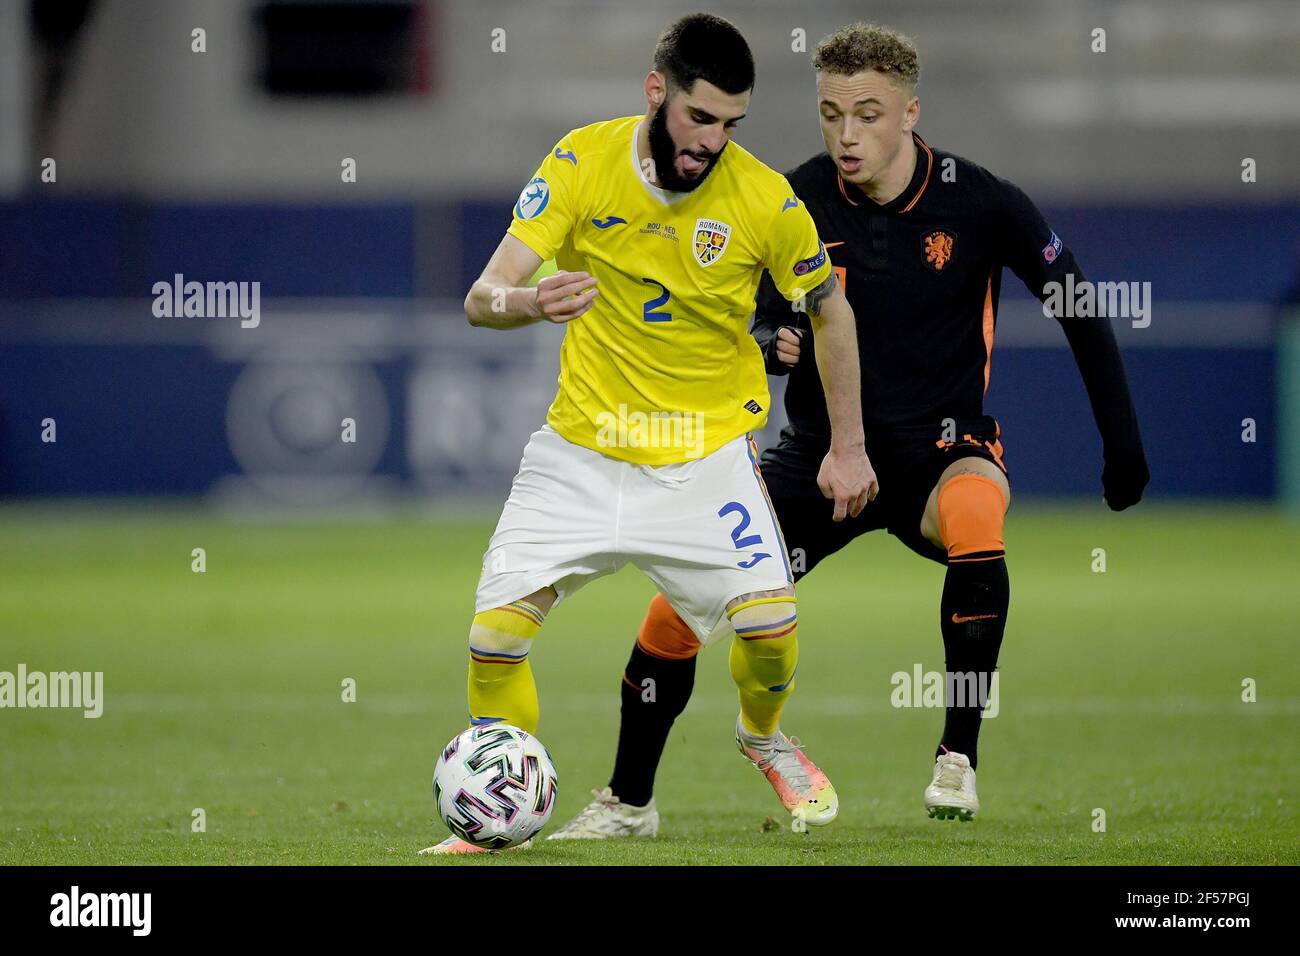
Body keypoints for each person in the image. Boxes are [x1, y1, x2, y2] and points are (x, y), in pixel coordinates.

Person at [549, 21, 1149, 840]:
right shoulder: (784, 197)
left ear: (910, 112)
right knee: (675, 610)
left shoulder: (981, 203)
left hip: (941, 450)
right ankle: (628, 803)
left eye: (867, 114)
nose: (846, 134)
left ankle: (957, 758)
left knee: (978, 519)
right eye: (831, 114)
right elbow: (744, 319)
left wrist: (1123, 447)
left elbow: (1080, 307)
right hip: (824, 462)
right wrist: (771, 340)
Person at [423, 13, 875, 855]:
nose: (712, 141)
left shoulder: (764, 199)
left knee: (773, 640)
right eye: (700, 118)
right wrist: (524, 303)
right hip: (580, 455)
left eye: (731, 125)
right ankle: (497, 821)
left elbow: (829, 309)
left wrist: (846, 447)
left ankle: (762, 735)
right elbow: (482, 296)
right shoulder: (581, 161)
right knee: (493, 642)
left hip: (705, 461)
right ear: (656, 91)